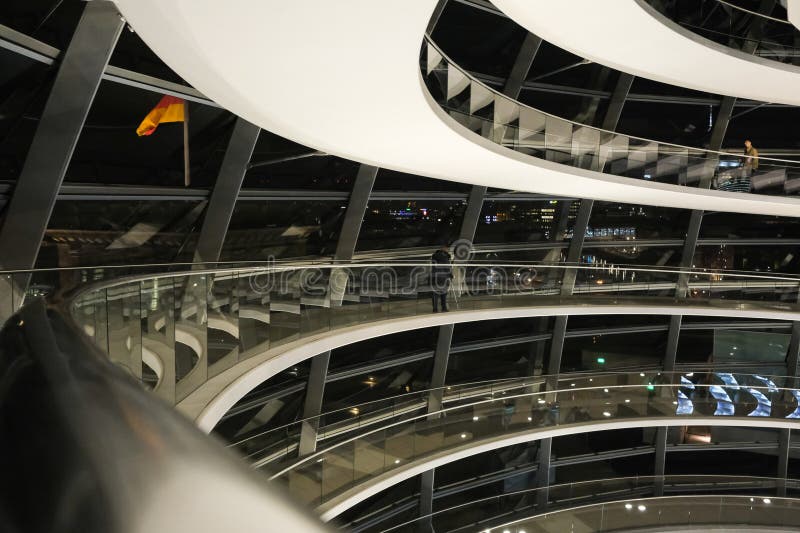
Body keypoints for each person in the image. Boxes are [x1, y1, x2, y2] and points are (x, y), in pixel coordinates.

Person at [430, 245, 453, 312]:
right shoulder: (444, 257)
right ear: (445, 249)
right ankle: (444, 308)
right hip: (443, 277)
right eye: (447, 249)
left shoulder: (434, 256)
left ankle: (435, 309)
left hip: (434, 277)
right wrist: (451, 275)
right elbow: (447, 268)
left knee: (435, 293)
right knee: (444, 293)